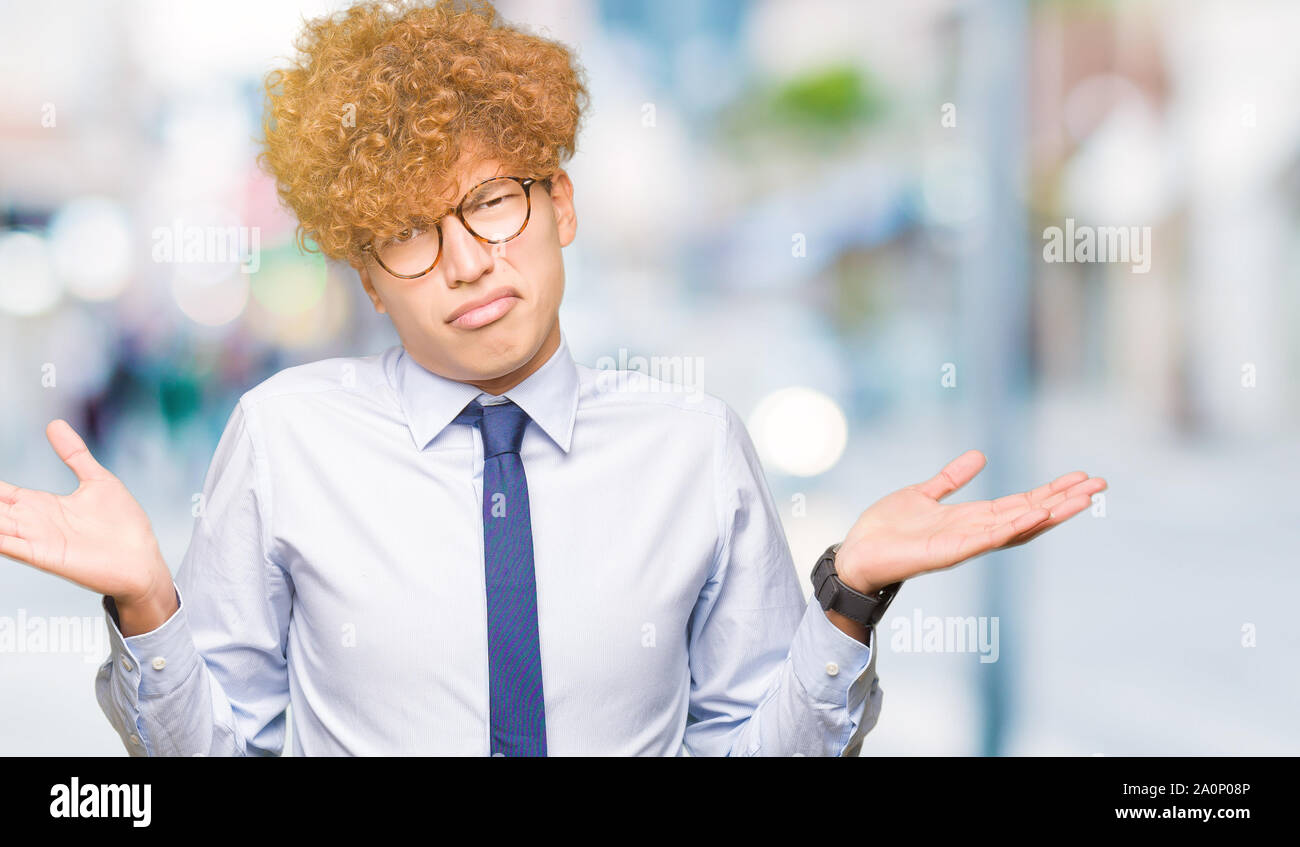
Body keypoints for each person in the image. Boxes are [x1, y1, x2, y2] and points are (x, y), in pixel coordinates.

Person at [0, 0, 1105, 756]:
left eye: (491, 201)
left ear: (560, 205)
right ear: (366, 279)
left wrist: (852, 594)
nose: (468, 259)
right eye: (408, 233)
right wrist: (146, 604)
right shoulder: (286, 437)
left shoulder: (693, 445)